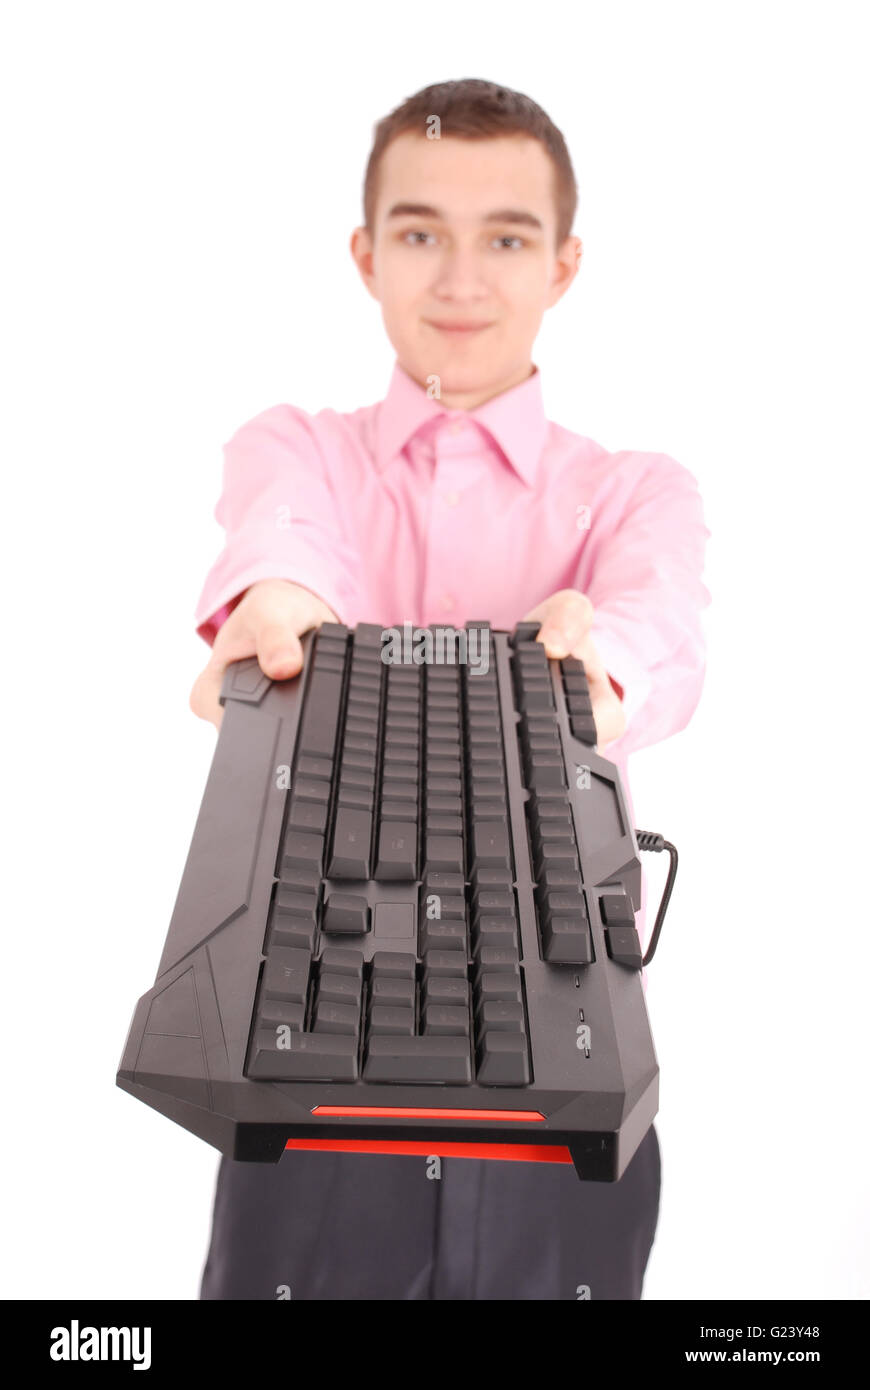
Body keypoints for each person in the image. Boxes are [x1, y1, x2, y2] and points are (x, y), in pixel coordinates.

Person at [189, 77, 711, 1300]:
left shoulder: (637, 490)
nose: (462, 280)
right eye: (422, 233)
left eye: (507, 237)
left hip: (560, 1077)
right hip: (309, 1059)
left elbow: (659, 626)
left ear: (564, 265)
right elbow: (283, 556)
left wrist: (590, 668)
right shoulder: (295, 445)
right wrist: (280, 620)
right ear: (367, 256)